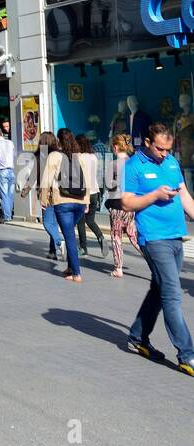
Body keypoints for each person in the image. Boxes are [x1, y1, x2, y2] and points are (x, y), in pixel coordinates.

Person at [122, 123, 194, 374]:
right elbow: (127, 202)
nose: (165, 154)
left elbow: (185, 196)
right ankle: (187, 354)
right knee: (172, 295)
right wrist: (154, 195)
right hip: (154, 239)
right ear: (148, 143)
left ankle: (137, 337)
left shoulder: (172, 163)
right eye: (161, 149)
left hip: (176, 237)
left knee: (159, 289)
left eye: (168, 149)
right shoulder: (134, 165)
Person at [42, 128, 89, 282]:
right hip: (80, 202)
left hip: (63, 202)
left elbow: (46, 180)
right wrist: (87, 201)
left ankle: (76, 273)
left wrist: (43, 199)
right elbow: (87, 180)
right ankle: (70, 267)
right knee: (70, 233)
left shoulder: (54, 156)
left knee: (69, 236)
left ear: (59, 140)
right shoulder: (80, 156)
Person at [19, 130, 64, 262]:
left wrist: (25, 190)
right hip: (61, 194)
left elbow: (33, 176)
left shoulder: (41, 157)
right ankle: (52, 251)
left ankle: (59, 242)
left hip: (47, 194)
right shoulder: (60, 155)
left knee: (47, 223)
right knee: (54, 222)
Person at [106, 133, 139, 278]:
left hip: (117, 206)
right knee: (134, 237)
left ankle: (118, 268)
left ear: (115, 147)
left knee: (116, 236)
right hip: (131, 205)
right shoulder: (133, 163)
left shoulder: (113, 165)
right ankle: (154, 262)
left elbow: (108, 186)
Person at [75, 134, 108, 258]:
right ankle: (101, 237)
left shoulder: (79, 158)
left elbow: (84, 179)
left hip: (85, 193)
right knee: (91, 220)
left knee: (80, 221)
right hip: (95, 192)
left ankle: (83, 248)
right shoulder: (94, 157)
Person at [0, 123, 16, 223]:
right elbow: (14, 154)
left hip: (2, 171)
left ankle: (7, 216)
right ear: (1, 133)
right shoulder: (10, 142)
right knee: (10, 194)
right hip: (11, 170)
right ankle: (9, 213)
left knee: (4, 194)